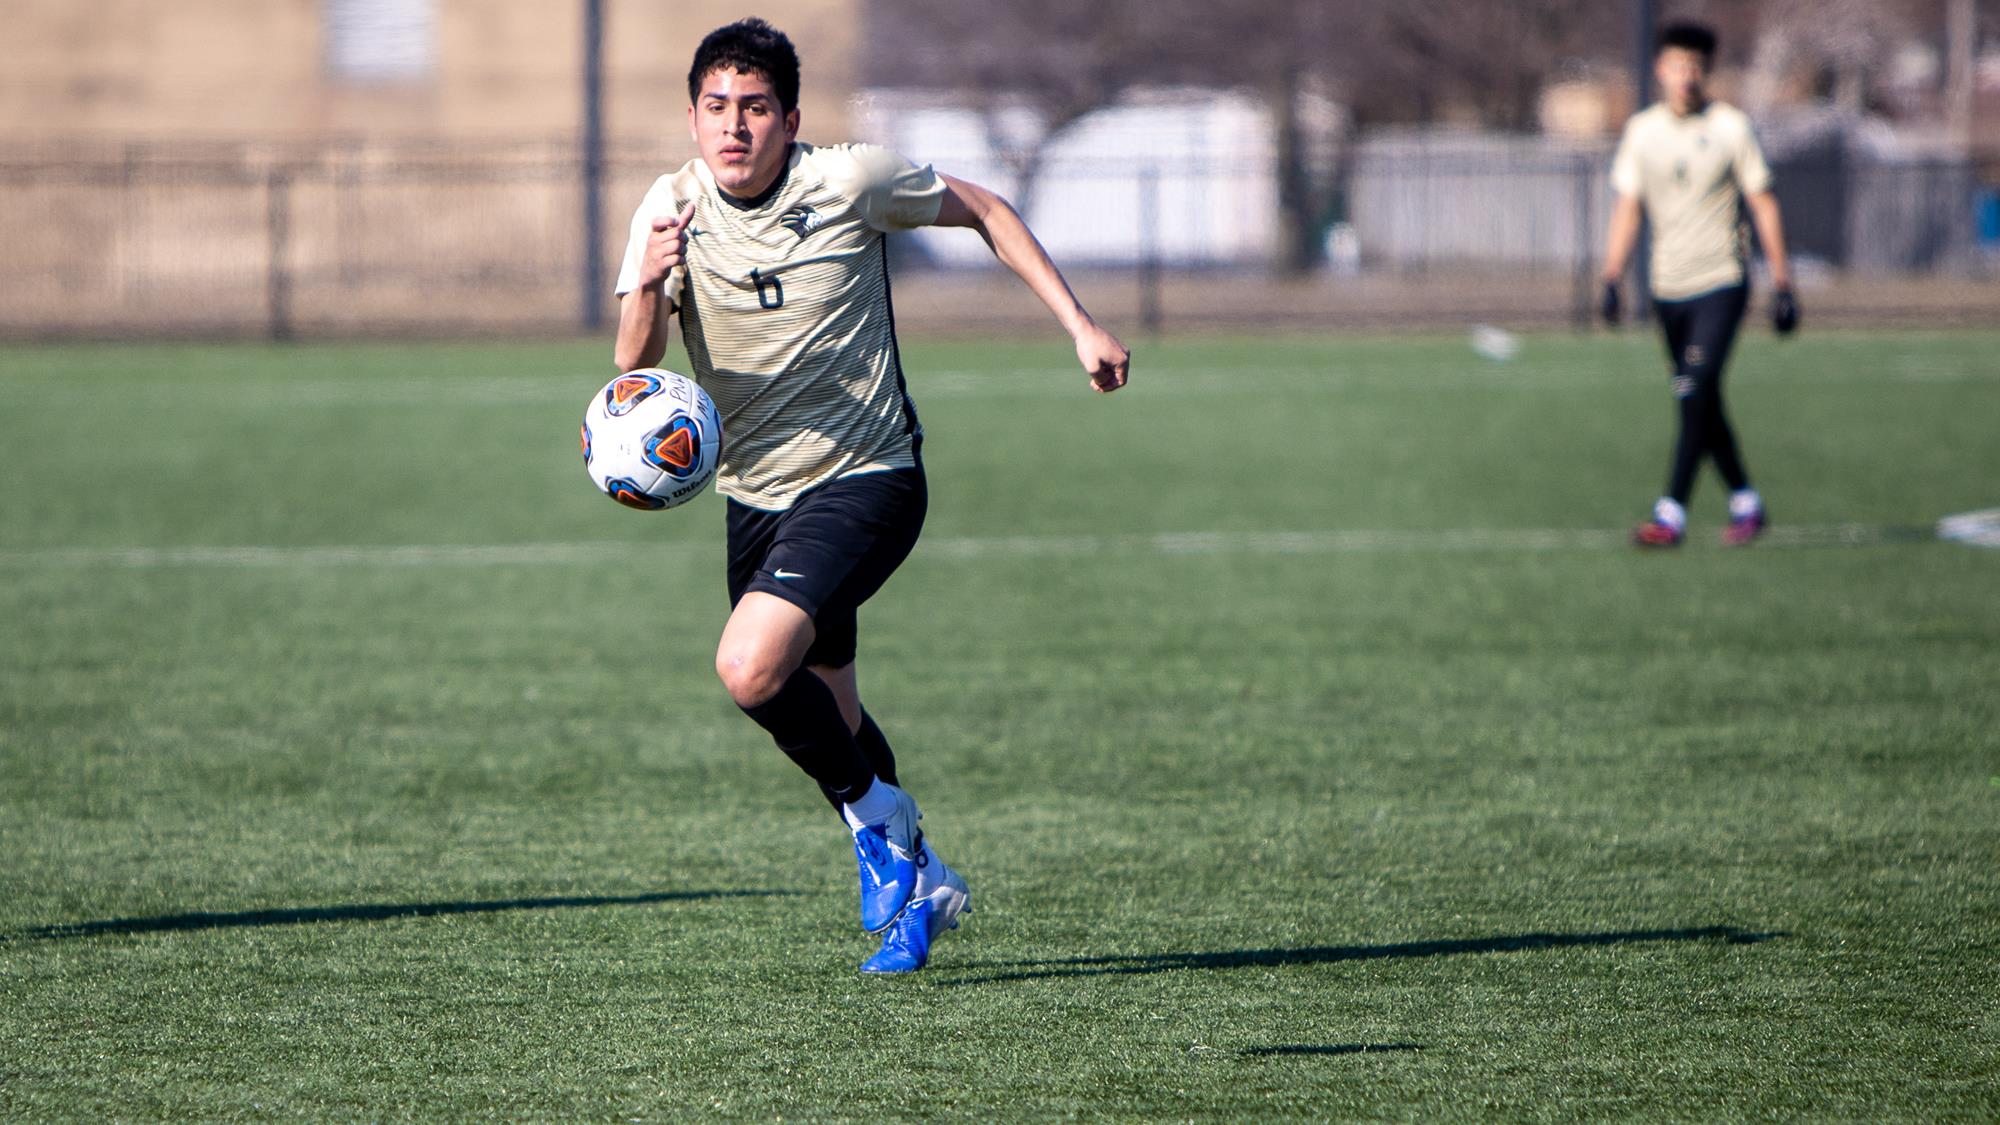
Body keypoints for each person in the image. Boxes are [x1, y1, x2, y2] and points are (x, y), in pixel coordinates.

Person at [611, 18, 1130, 973]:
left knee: (749, 668)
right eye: (717, 108)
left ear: (789, 117)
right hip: (754, 496)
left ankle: (881, 821)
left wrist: (1080, 327)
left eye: (755, 108)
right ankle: (922, 887)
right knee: (830, 706)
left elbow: (986, 209)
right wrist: (647, 280)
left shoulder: (848, 181)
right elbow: (632, 366)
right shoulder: (668, 208)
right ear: (691, 117)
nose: (735, 127)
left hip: (868, 477)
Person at [1599, 21, 1798, 548]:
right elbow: (1627, 206)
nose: (1686, 77)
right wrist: (1611, 277)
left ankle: (1671, 513)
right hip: (1668, 288)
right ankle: (1746, 500)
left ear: (1706, 72)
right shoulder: (1642, 131)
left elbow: (1763, 202)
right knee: (1699, 399)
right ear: (1661, 69)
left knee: (1695, 387)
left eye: (1695, 67)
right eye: (1676, 66)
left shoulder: (1732, 127)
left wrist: (1782, 282)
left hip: (1722, 281)